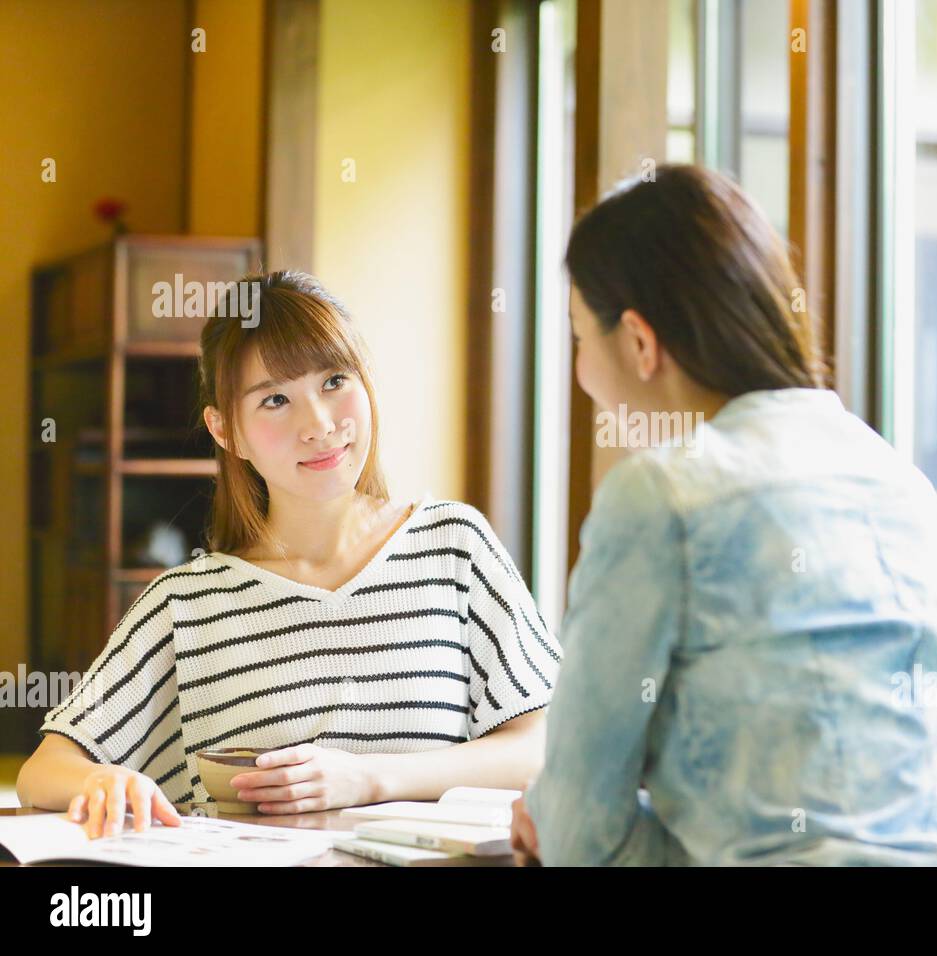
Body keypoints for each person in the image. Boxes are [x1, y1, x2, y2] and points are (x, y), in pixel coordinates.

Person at [509, 164, 937, 866]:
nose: (582, 374)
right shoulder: (898, 482)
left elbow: (581, 831)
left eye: (577, 339)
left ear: (638, 342)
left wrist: (548, 816)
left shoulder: (660, 495)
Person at [17, 271, 559, 839]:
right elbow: (44, 771)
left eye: (334, 381)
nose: (320, 426)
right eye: (276, 399)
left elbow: (542, 746)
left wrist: (369, 778)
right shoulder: (185, 604)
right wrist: (101, 782)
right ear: (226, 431)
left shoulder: (455, 546)